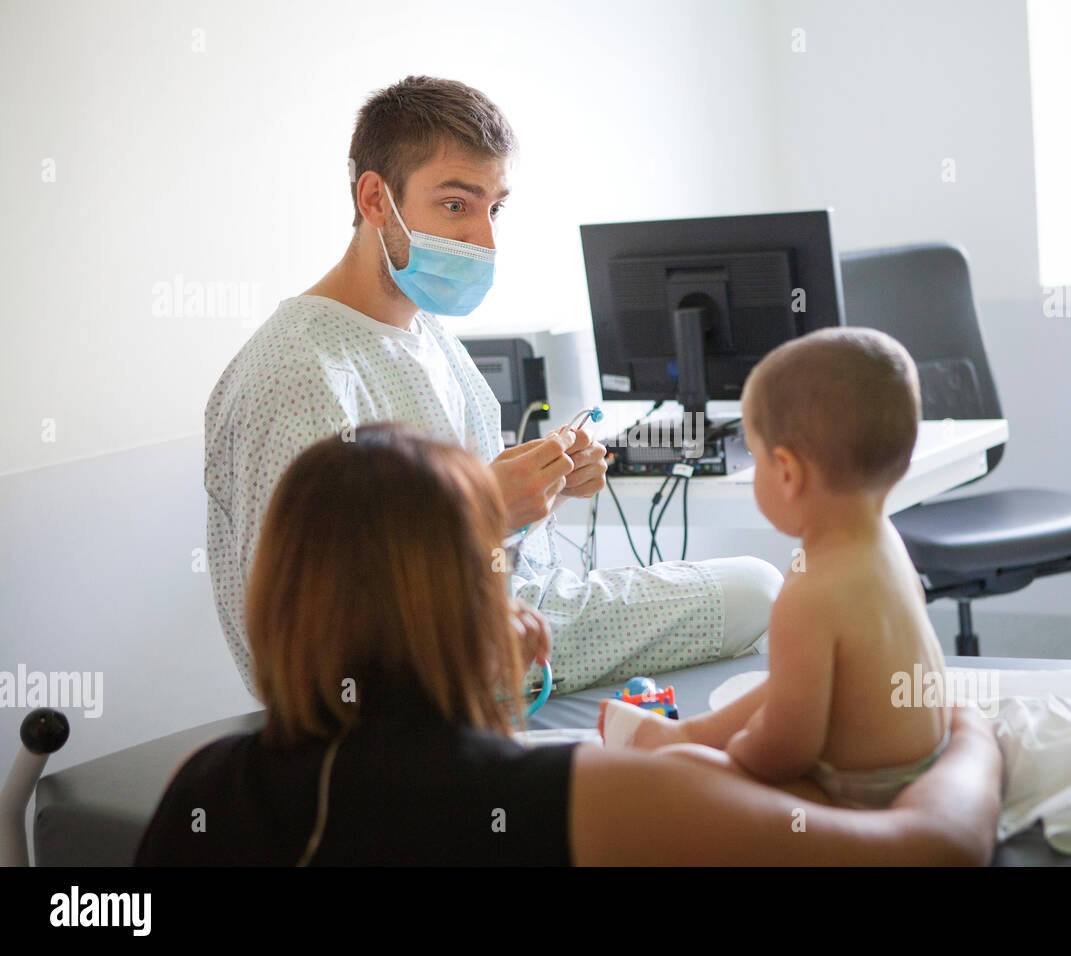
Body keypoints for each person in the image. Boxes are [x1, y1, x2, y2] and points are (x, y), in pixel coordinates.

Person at [136, 423, 1002, 865]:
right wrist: (969, 737)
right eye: (493, 564)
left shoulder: (203, 791)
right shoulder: (583, 795)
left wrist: (485, 699)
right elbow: (928, 853)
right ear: (464, 599)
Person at [204, 76, 781, 699]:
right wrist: (484, 510)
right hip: (416, 670)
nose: (486, 239)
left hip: (514, 613)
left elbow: (477, 531)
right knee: (756, 589)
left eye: (495, 208)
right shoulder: (300, 372)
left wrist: (542, 490)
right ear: (375, 198)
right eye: (456, 205)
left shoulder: (430, 338)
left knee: (760, 588)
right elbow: (305, 619)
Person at [600, 328, 953, 810]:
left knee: (693, 777)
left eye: (753, 453)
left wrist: (735, 754)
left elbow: (787, 749)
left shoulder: (807, 594)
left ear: (786, 472)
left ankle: (673, 748)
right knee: (777, 689)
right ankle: (687, 732)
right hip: (921, 762)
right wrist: (710, 732)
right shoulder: (884, 542)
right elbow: (808, 683)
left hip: (861, 792)